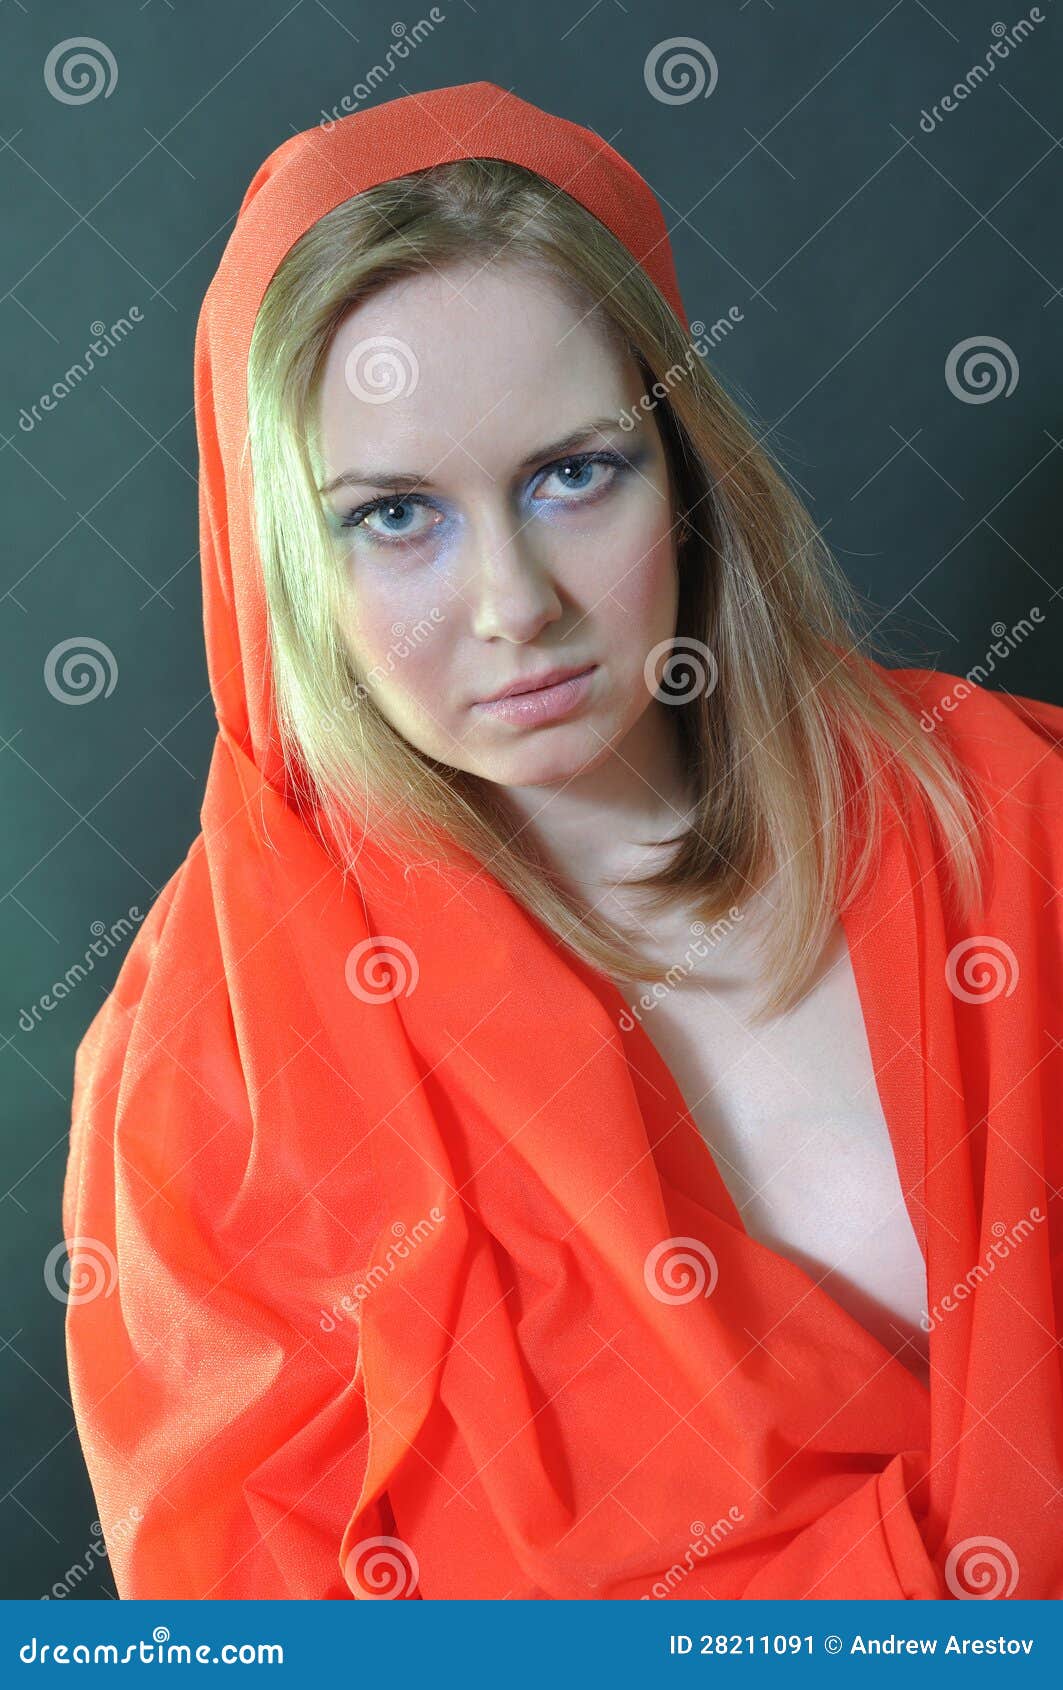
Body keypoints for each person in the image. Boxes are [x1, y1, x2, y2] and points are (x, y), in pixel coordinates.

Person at [62, 80, 1063, 1601]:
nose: (511, 603)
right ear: (282, 565)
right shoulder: (209, 1067)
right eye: (395, 514)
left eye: (571, 473)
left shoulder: (1013, 822)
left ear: (687, 474)